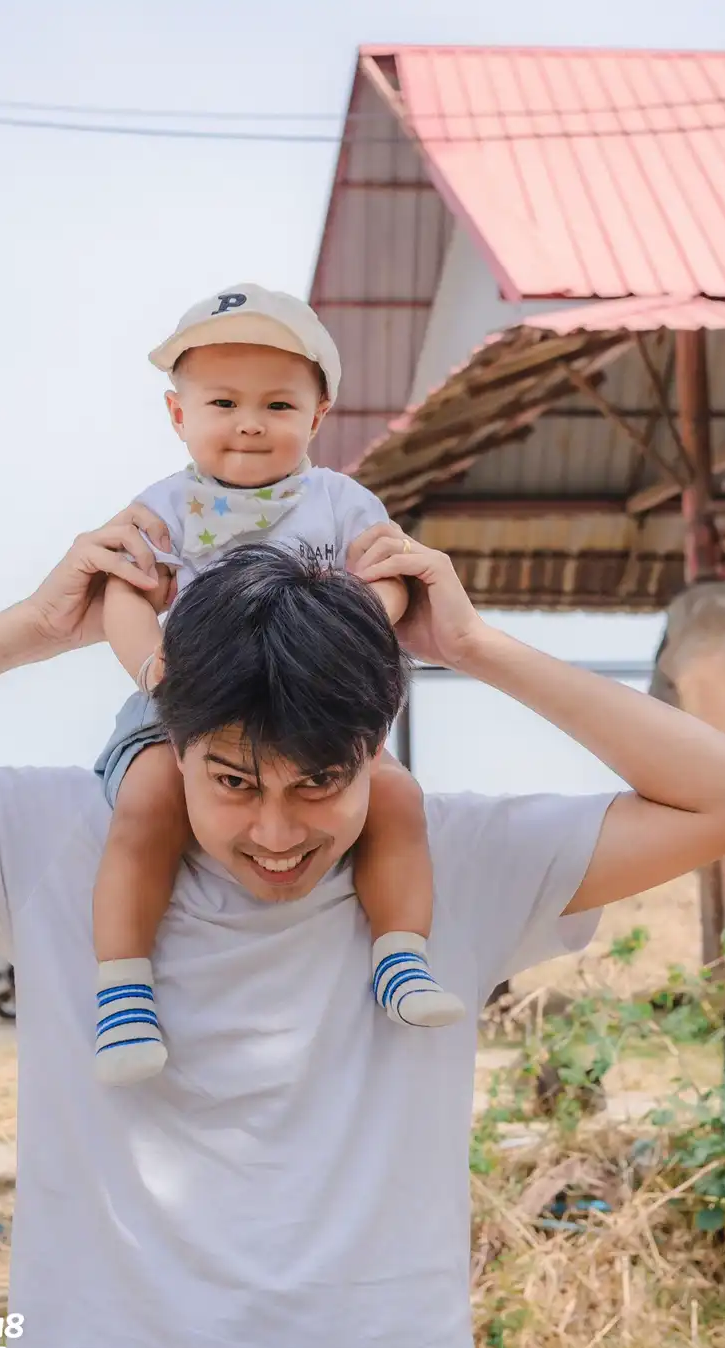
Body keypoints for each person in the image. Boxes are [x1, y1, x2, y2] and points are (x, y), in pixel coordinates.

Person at [0, 512, 725, 1348]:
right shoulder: (52, 842)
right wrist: (29, 627)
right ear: (168, 739)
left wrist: (473, 644)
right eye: (232, 783)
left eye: (318, 785)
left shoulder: (451, 864)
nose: (274, 833)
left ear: (374, 753)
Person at [94, 284, 460, 1085]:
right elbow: (122, 589)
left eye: (278, 404)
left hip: (314, 703)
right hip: (191, 705)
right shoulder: (167, 506)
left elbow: (389, 577)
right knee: (150, 795)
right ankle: (122, 990)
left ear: (318, 417)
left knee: (396, 796)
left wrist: (341, 632)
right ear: (177, 413)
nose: (251, 423)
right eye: (223, 401)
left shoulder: (340, 500)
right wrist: (155, 667)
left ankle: (401, 954)